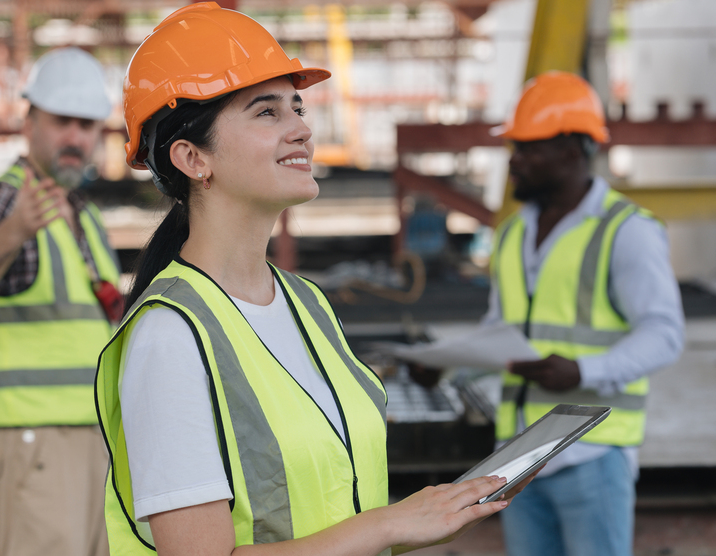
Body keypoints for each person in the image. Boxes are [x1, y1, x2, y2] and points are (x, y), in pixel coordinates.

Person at [95, 4, 533, 555]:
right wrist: (392, 524)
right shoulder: (170, 338)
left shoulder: (306, 303)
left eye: (297, 107)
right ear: (191, 157)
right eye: (266, 113)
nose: (302, 129)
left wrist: (428, 519)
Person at [485, 71, 685, 556]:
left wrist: (583, 371)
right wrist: (445, 366)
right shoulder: (512, 233)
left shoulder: (626, 231)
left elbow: (664, 333)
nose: (516, 164)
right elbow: (498, 333)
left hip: (591, 452)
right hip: (519, 459)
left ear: (572, 150)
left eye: (528, 149)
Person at [0, 46, 120, 556]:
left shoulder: (83, 214)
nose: (75, 138)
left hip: (93, 438)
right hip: (35, 439)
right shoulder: (7, 200)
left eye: (86, 126)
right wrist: (14, 230)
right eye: (62, 122)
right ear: (30, 122)